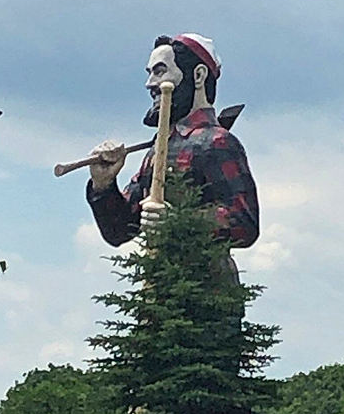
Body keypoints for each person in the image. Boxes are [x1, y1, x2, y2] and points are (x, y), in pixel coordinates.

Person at [86, 34, 259, 257]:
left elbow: (244, 222)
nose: (150, 84)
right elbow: (119, 230)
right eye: (150, 74)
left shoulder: (216, 143)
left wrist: (178, 220)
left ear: (198, 76)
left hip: (207, 284)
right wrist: (104, 185)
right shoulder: (158, 149)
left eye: (160, 71)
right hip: (158, 284)